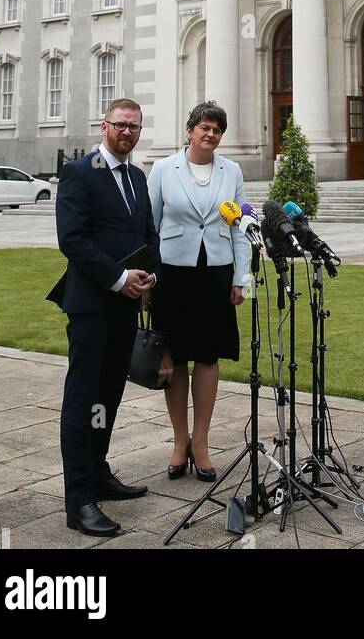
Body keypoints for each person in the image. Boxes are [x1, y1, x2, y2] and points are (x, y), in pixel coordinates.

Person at [47, 98, 161, 537]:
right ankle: (79, 500)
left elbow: (145, 233)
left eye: (135, 127)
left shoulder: (136, 176)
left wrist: (149, 277)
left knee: (107, 396)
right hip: (93, 304)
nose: (128, 133)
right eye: (121, 125)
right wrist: (117, 278)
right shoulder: (79, 172)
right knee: (82, 400)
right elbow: (71, 239)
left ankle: (98, 471)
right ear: (104, 126)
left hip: (125, 308)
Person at [147, 101, 249, 482]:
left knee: (207, 356)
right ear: (189, 131)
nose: (210, 134)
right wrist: (148, 278)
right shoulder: (162, 169)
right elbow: (150, 228)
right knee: (174, 358)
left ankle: (201, 441)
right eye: (204, 127)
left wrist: (241, 278)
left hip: (216, 275)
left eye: (217, 130)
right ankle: (179, 441)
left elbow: (238, 227)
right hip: (172, 275)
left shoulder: (232, 171)